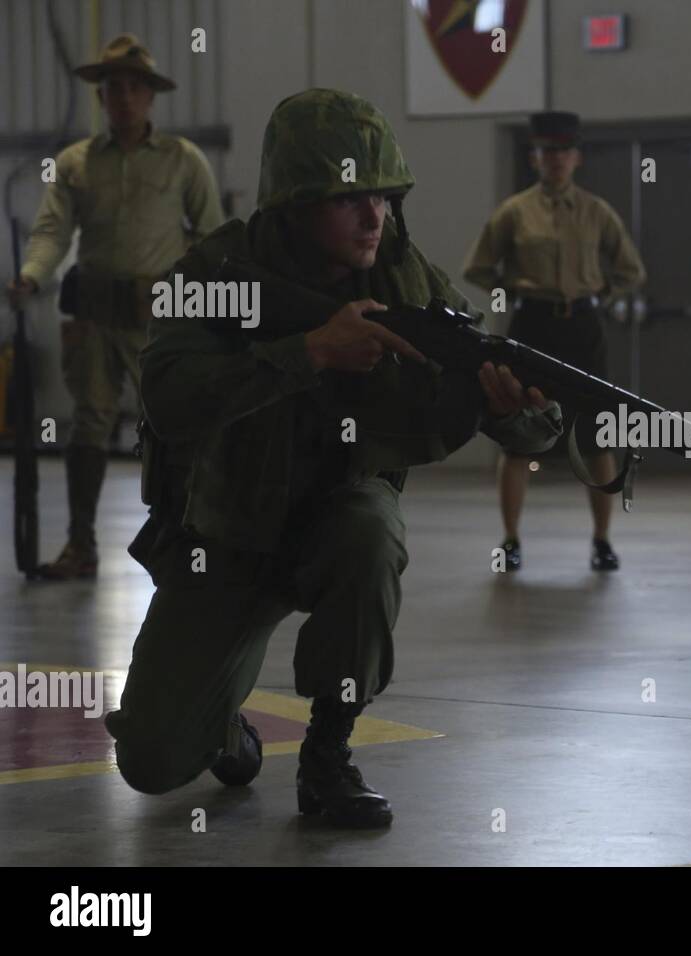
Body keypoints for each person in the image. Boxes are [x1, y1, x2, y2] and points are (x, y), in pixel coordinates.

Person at [103, 89, 562, 829]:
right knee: (151, 762)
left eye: (383, 195)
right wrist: (308, 352)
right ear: (293, 203)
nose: (374, 215)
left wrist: (519, 415)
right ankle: (223, 722)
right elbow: (168, 394)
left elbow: (532, 423)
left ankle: (328, 754)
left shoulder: (405, 280)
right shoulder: (220, 272)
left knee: (371, 530)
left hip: (335, 520)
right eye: (349, 198)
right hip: (226, 533)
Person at [5, 34, 224, 579]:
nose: (122, 97)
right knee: (88, 425)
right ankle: (81, 545)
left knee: (171, 425)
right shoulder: (75, 163)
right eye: (111, 88)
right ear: (100, 97)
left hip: (162, 316)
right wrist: (32, 276)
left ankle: (183, 538)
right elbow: (52, 231)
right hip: (96, 314)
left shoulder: (183, 160)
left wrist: (196, 297)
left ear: (151, 96)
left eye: (133, 87)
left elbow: (214, 237)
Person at [463, 111, 646, 572]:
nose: (556, 160)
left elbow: (631, 269)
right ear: (535, 158)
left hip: (583, 328)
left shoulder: (596, 211)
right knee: (518, 437)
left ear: (576, 157)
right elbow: (478, 267)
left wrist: (600, 293)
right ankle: (510, 540)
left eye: (564, 152)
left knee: (597, 437)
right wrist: (515, 286)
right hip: (533, 326)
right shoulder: (514, 212)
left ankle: (602, 541)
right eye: (547, 152)